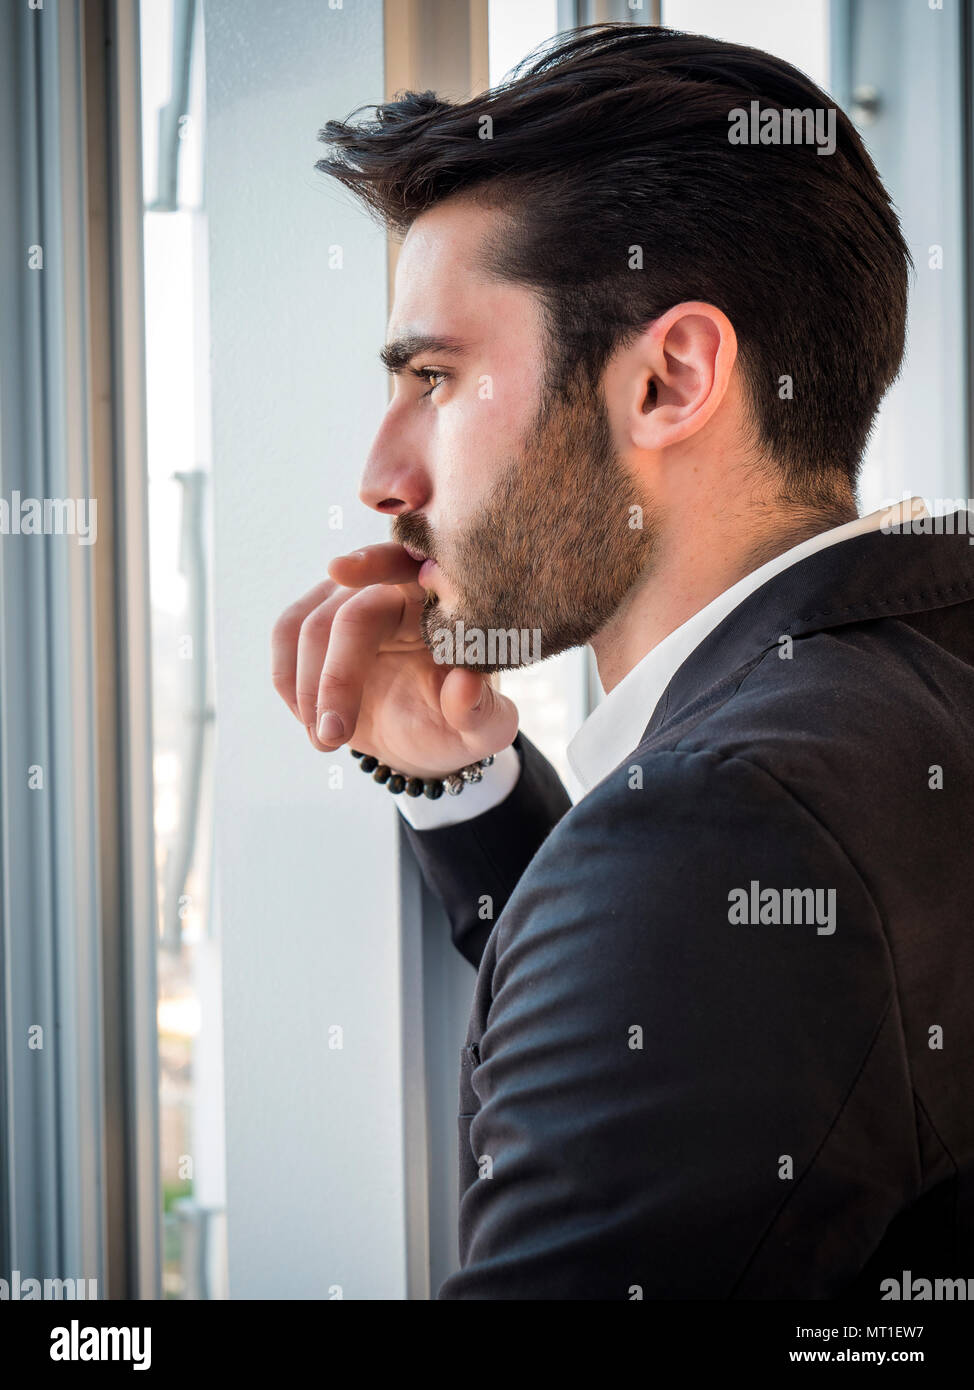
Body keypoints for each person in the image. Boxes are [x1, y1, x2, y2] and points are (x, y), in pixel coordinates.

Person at [271, 24, 974, 1298]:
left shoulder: (726, 831)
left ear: (669, 376)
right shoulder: (918, 675)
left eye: (433, 375)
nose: (380, 479)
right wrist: (469, 789)